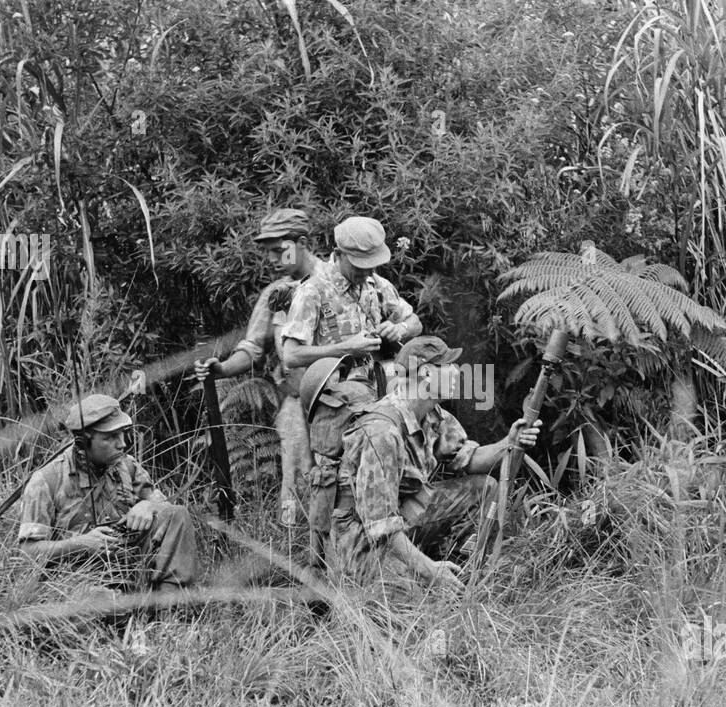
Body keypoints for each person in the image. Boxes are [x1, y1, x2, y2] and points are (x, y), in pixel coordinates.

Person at [331, 336, 540, 595]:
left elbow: (470, 459)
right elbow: (381, 526)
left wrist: (510, 442)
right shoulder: (381, 433)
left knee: (484, 487)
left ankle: (466, 569)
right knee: (412, 605)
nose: (456, 371)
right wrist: (431, 571)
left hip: (403, 516)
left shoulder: (433, 413)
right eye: (449, 365)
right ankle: (427, 572)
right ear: (427, 373)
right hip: (363, 540)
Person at [281, 216, 423, 564]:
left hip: (375, 399)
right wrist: (346, 348)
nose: (364, 272)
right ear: (338, 253)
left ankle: (386, 555)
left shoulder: (376, 286)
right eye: (359, 265)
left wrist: (398, 329)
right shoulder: (313, 291)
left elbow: (415, 321)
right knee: (335, 490)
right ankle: (322, 570)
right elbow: (291, 355)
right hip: (332, 407)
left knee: (381, 482)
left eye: (371, 265)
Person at [194, 208, 323, 526]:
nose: (273, 259)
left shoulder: (339, 282)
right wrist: (222, 368)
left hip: (341, 401)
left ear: (302, 242)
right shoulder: (275, 294)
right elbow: (252, 348)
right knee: (296, 480)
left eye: (280, 250)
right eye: (269, 252)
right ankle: (298, 549)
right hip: (296, 403)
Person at [17, 394, 197, 592]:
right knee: (98, 601)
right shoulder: (46, 481)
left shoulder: (126, 466)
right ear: (84, 441)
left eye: (122, 433)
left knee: (177, 514)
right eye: (110, 437)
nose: (122, 443)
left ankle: (170, 609)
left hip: (130, 564)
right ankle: (127, 608)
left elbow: (166, 510)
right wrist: (80, 544)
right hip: (78, 578)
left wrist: (147, 506)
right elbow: (28, 553)